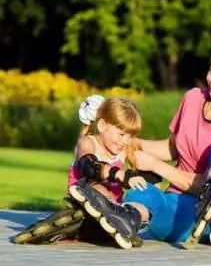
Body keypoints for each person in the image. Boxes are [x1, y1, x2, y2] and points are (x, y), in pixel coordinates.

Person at [67, 39, 211, 249]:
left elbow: (180, 174)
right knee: (142, 192)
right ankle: (125, 220)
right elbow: (173, 148)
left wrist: (156, 166)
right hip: (180, 207)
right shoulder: (193, 99)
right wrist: (133, 143)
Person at [14, 95, 153, 246]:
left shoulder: (125, 148)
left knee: (145, 210)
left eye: (131, 135)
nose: (126, 141)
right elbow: (89, 167)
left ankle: (120, 222)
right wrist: (121, 175)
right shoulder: (87, 142)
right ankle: (102, 222)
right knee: (96, 188)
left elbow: (157, 156)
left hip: (114, 211)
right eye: (121, 134)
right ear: (102, 126)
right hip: (85, 197)